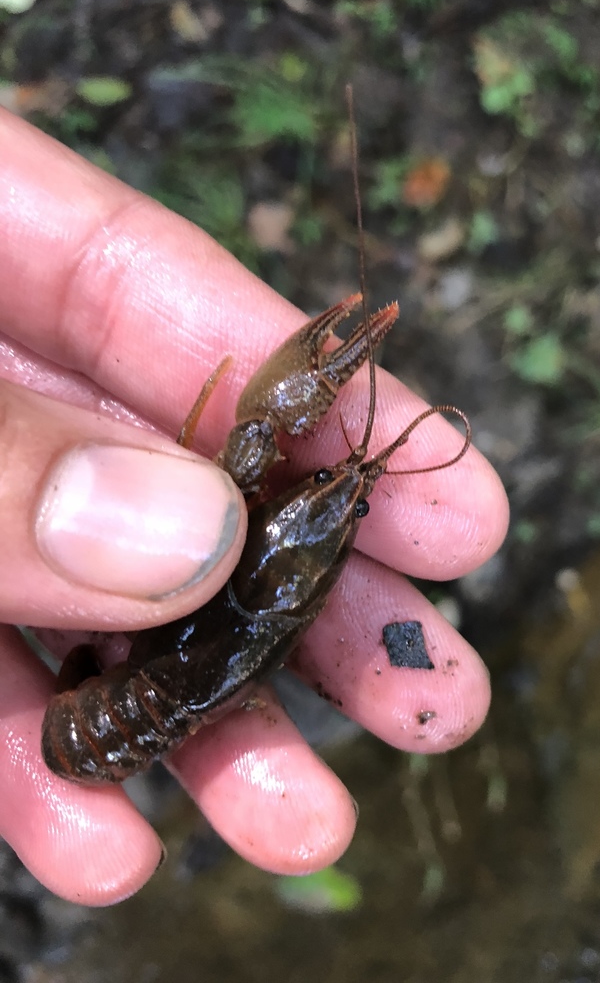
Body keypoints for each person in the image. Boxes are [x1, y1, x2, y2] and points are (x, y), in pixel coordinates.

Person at [0, 105, 509, 906]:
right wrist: (341, 503)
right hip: (125, 700)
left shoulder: (254, 570)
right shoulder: (284, 604)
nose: (333, 489)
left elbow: (258, 447)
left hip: (115, 713)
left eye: (343, 504)